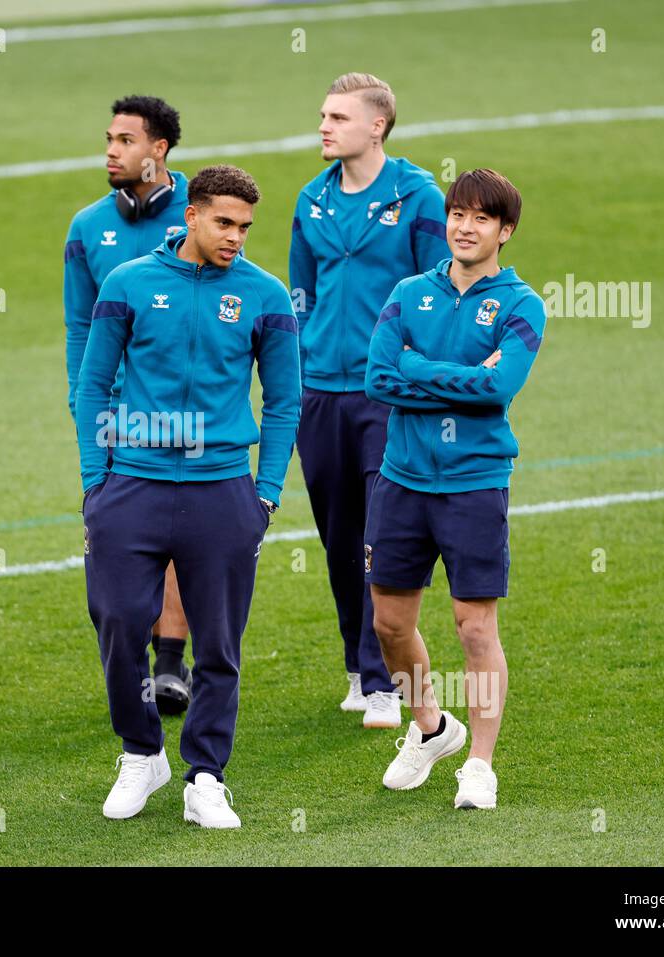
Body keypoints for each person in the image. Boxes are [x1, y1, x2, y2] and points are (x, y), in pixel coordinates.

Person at [75, 165, 300, 828]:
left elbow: (286, 400)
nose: (235, 237)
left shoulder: (267, 296)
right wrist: (96, 481)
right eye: (224, 223)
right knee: (118, 622)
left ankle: (206, 774)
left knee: (219, 644)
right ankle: (142, 751)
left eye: (245, 227)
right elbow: (93, 387)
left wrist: (266, 494)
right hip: (132, 487)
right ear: (194, 217)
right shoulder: (128, 283)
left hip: (223, 492)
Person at [364, 169, 546, 809]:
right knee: (389, 624)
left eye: (481, 219)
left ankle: (479, 763)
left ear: (505, 231)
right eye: (457, 215)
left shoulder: (523, 306)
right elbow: (379, 379)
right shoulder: (408, 292)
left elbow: (500, 389)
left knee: (474, 628)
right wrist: (459, 375)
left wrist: (417, 366)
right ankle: (433, 728)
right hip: (402, 481)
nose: (466, 228)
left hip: (474, 483)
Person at [289, 72, 451, 729]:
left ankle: (384, 680)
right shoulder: (310, 199)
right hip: (320, 392)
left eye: (337, 117)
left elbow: (441, 291)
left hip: (387, 395)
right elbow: (300, 295)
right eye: (322, 115)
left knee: (380, 535)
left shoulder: (417, 196)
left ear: (376, 125)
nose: (324, 126)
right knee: (338, 536)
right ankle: (358, 669)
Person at [64, 96, 196, 715]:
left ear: (159, 150)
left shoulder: (203, 212)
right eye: (108, 139)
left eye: (125, 140)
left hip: (184, 412)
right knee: (112, 545)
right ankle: (131, 656)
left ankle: (169, 665)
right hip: (113, 415)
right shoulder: (88, 227)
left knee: (177, 540)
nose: (111, 151)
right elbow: (77, 327)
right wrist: (80, 400)